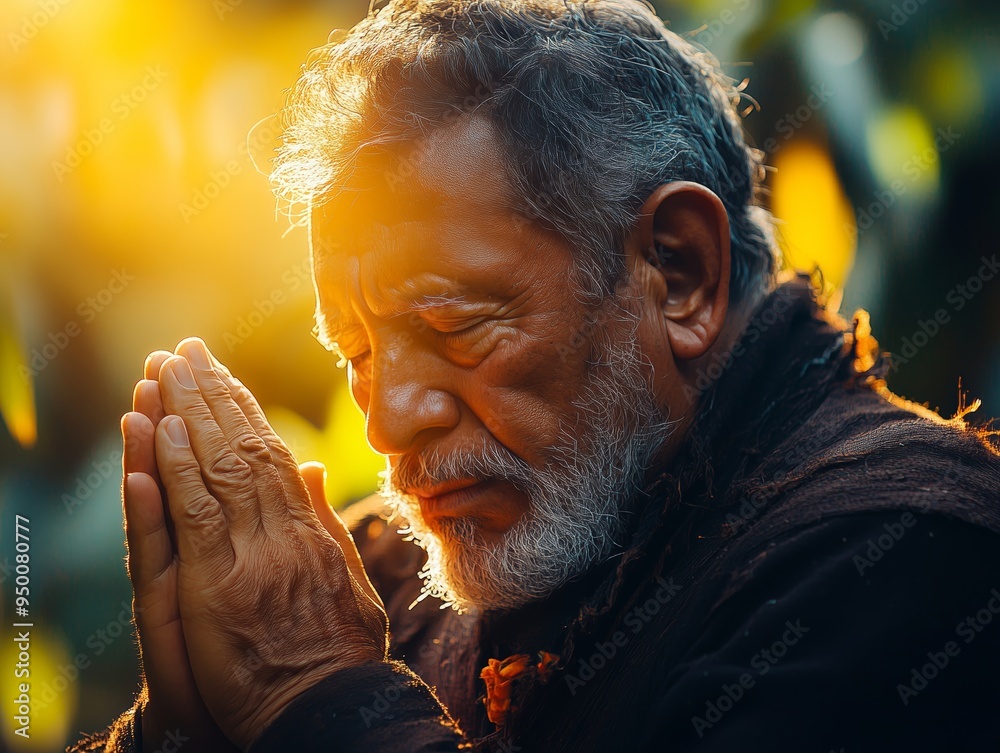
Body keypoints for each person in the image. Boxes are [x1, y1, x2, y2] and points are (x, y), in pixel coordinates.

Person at [71, 1, 1000, 751]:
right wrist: (186, 728)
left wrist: (317, 698)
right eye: (356, 352)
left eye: (454, 325)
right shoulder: (375, 584)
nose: (387, 421)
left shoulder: (903, 554)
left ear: (678, 272)